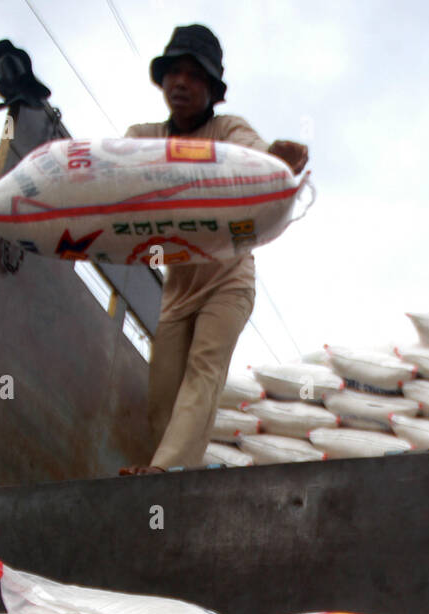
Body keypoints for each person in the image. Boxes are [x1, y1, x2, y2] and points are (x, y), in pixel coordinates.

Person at [119, 25, 308, 475]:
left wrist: (276, 156)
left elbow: (256, 153)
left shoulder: (227, 130)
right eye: (174, 73)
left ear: (212, 90)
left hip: (228, 281)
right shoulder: (143, 137)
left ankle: (163, 475)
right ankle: (176, 477)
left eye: (193, 75)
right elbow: (116, 179)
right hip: (178, 290)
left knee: (204, 371)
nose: (181, 83)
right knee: (163, 400)